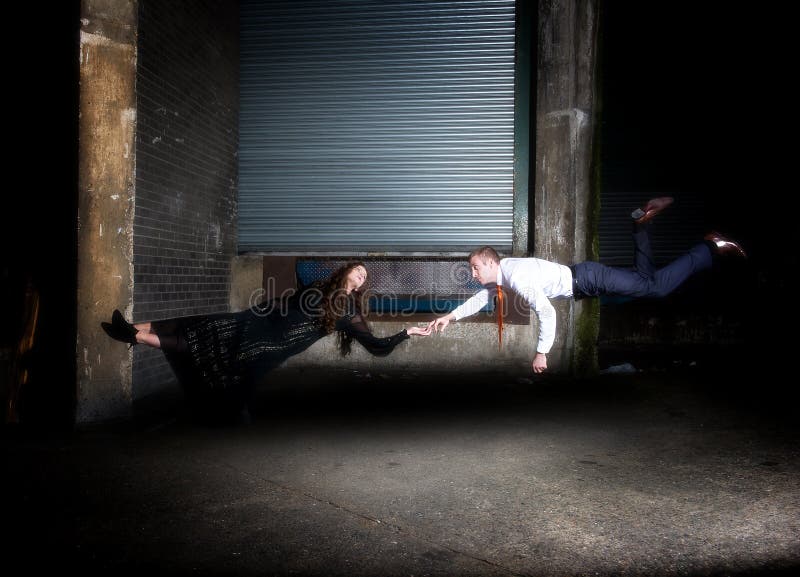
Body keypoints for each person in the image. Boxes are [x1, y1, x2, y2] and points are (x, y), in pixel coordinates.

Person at [426, 197, 747, 374]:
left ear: (491, 262)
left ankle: (709, 246)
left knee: (657, 288)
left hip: (589, 279)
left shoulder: (517, 277)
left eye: (476, 267)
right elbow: (480, 300)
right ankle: (641, 223)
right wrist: (449, 317)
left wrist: (541, 354)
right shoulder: (506, 272)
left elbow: (547, 313)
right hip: (586, 278)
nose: (473, 273)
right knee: (647, 278)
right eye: (471, 269)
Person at [101, 262, 431, 419]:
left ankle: (135, 337)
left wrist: (407, 333)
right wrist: (258, 311)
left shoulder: (350, 312)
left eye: (364, 276)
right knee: (201, 325)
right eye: (358, 269)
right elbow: (287, 303)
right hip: (261, 323)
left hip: (273, 345)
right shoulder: (319, 288)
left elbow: (376, 347)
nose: (361, 274)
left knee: (206, 350)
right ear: (346, 271)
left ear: (360, 286)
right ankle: (129, 328)